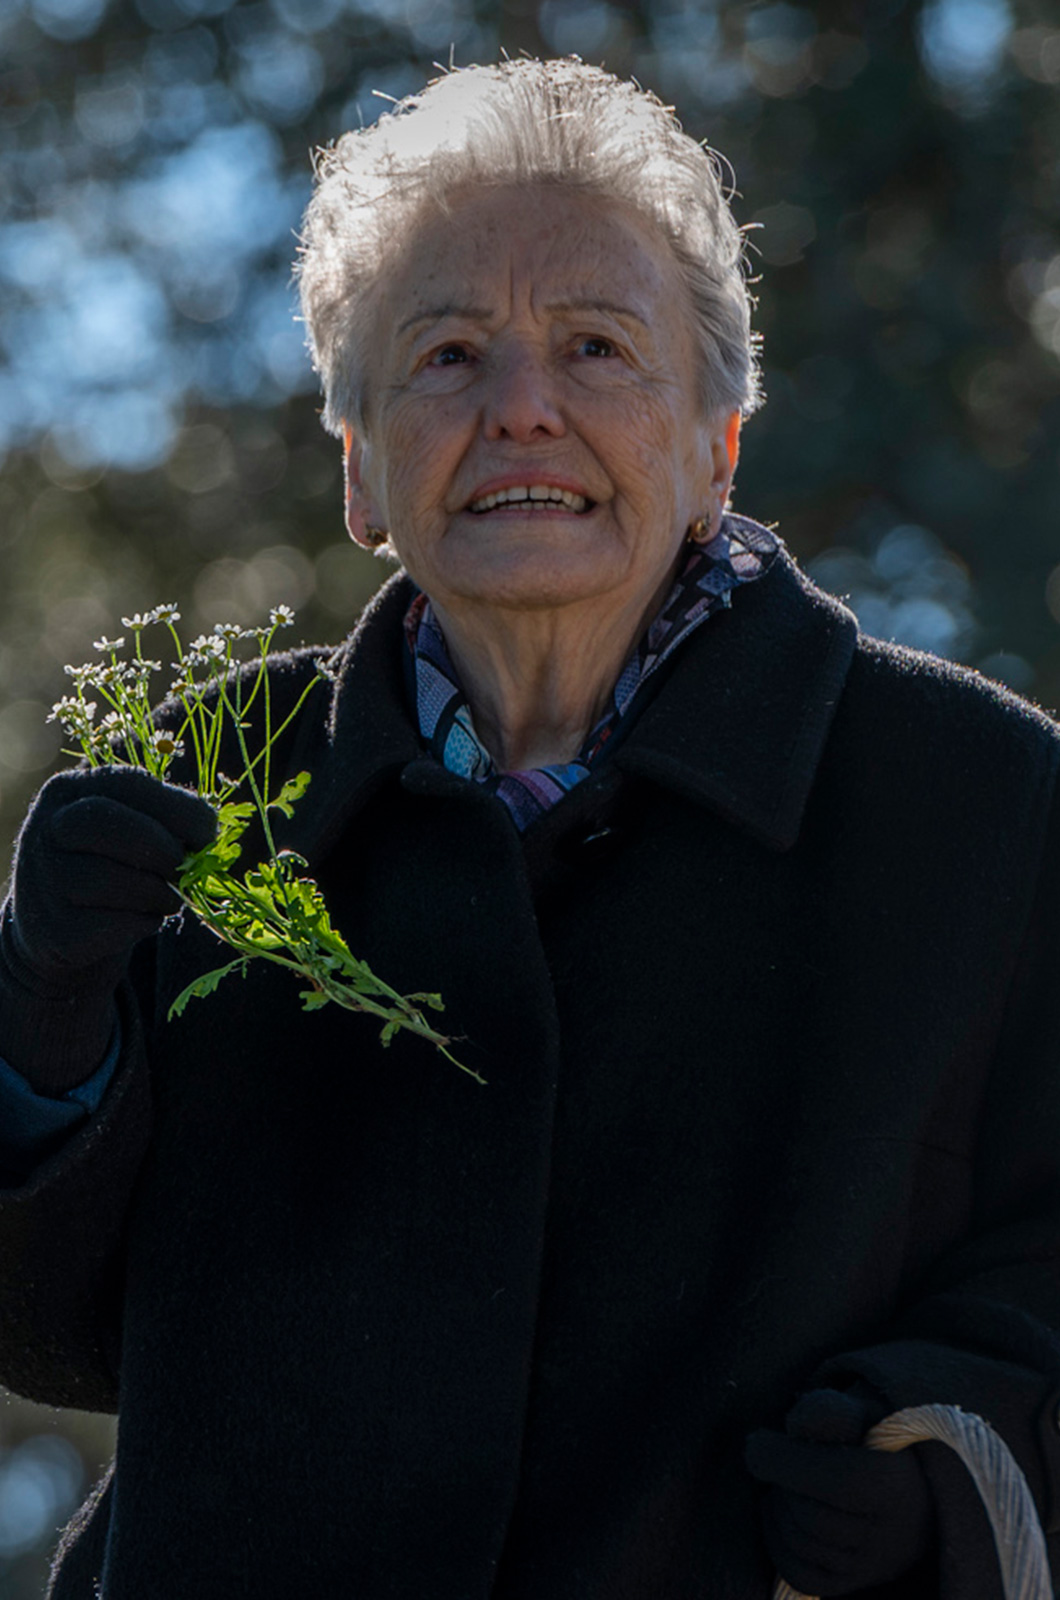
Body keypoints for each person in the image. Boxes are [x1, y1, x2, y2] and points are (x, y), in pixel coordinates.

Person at [1, 56, 1060, 1600]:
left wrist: (958, 1465)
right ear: (361, 466)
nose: (520, 408)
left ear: (717, 443)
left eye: (595, 346)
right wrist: (40, 1028)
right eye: (443, 355)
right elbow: (55, 1333)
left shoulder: (985, 807)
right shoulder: (217, 780)